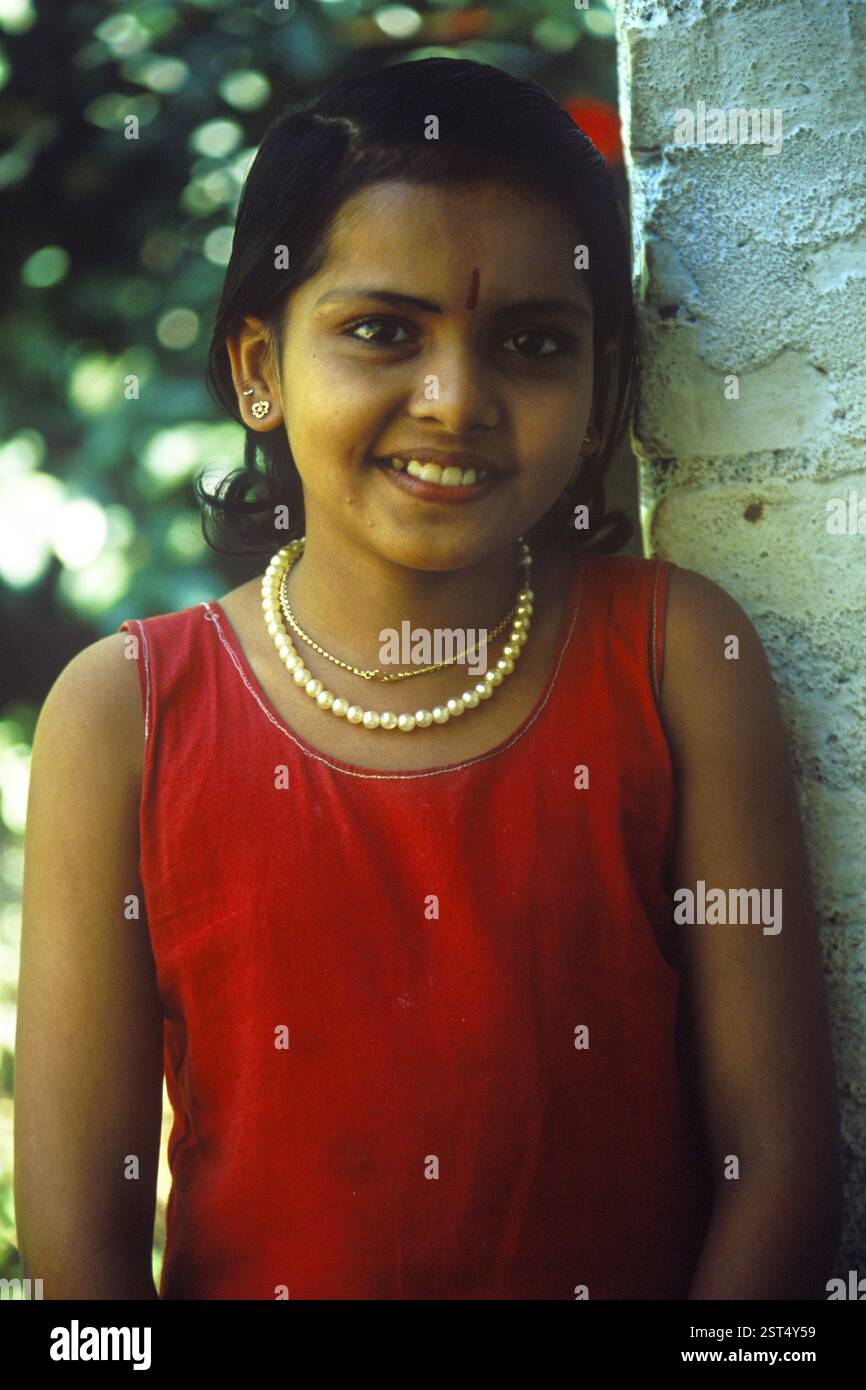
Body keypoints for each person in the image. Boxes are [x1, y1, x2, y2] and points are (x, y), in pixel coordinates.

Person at [15, 57, 841, 1300]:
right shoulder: (126, 712)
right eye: (382, 331)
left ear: (601, 377)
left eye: (530, 342)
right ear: (257, 366)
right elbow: (79, 1240)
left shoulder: (674, 658)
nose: (456, 401)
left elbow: (775, 1160)